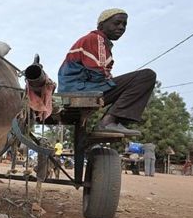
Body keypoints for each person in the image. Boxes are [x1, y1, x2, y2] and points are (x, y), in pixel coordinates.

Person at [58, 8, 157, 136]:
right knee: (146, 76)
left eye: (124, 24)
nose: (121, 27)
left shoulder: (101, 43)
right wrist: (118, 86)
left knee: (130, 82)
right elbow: (97, 74)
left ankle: (111, 122)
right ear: (101, 25)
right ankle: (108, 122)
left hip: (78, 87)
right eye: (117, 23)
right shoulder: (96, 39)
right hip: (78, 90)